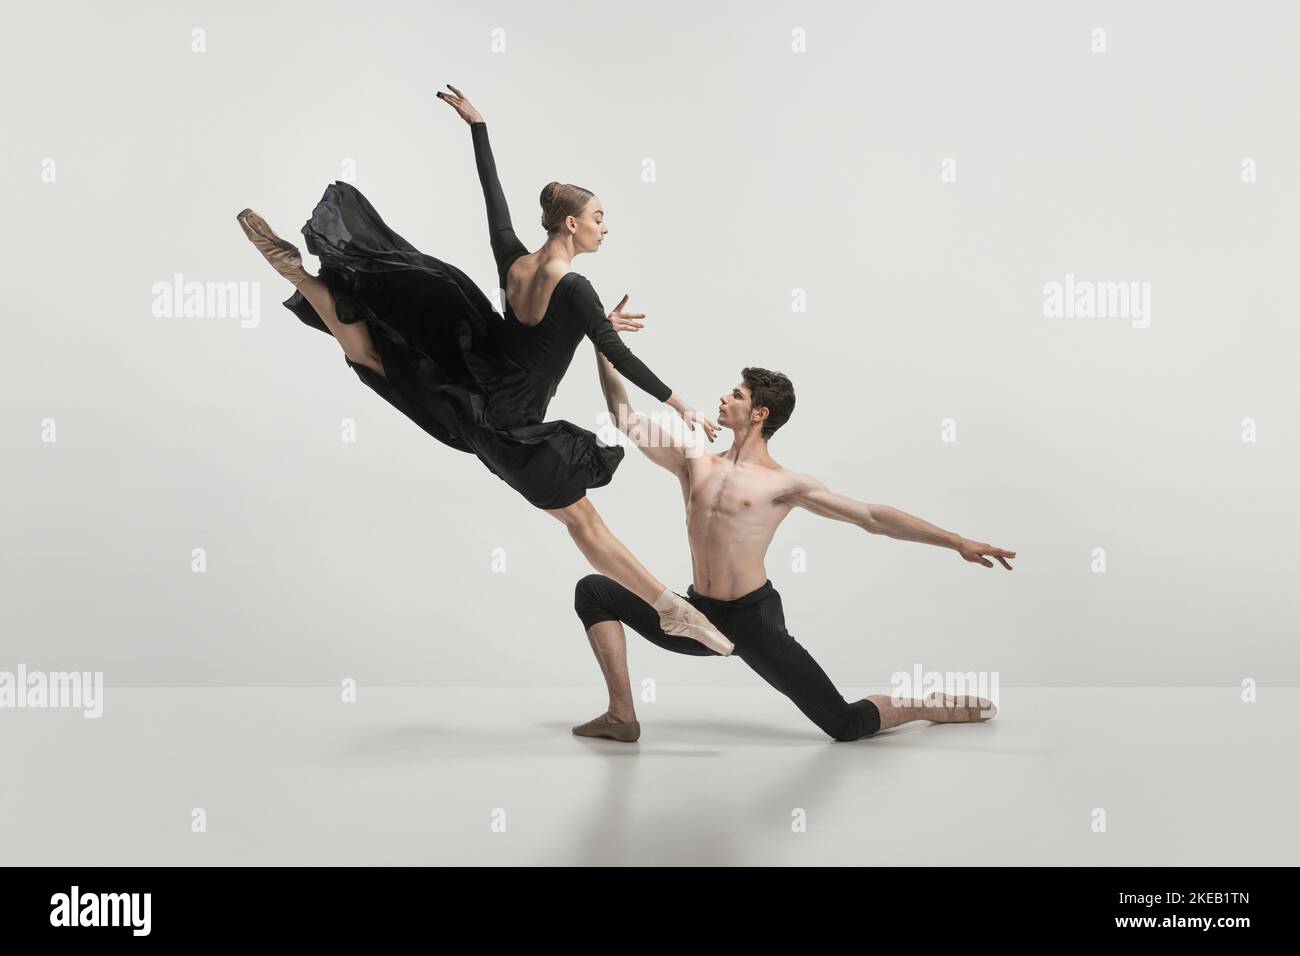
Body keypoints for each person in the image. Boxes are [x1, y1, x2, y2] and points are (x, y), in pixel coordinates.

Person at [236, 84, 732, 654]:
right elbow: (614, 356)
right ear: (570, 224)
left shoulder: (514, 260)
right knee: (584, 523)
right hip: (512, 428)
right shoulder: (576, 288)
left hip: (473, 394)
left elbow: (491, 200)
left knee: (378, 356)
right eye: (598, 217)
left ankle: (302, 277)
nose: (604, 226)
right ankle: (671, 610)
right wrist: (680, 403)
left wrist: (479, 129)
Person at [571, 349, 1015, 741]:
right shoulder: (694, 464)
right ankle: (621, 715)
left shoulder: (785, 484)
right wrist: (602, 342)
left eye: (737, 395)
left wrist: (956, 541)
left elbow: (872, 517)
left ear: (760, 413)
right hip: (696, 617)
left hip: (753, 620)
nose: (723, 399)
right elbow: (624, 418)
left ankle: (923, 705)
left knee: (845, 725)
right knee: (593, 591)